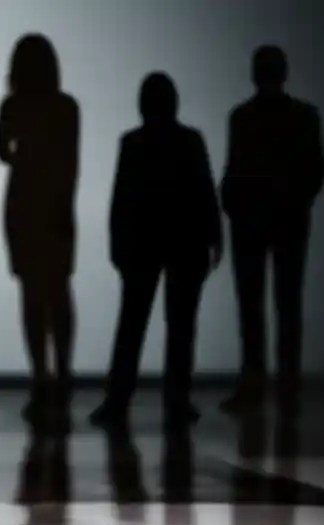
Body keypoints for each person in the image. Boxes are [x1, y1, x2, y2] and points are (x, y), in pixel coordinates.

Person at [90, 73, 222, 428]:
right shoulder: (190, 141)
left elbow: (121, 200)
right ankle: (176, 400)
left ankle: (119, 399)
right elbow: (206, 192)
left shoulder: (132, 143)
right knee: (180, 326)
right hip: (185, 242)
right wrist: (215, 236)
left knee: (132, 325)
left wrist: (117, 244)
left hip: (142, 244)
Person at [220, 46, 324, 417]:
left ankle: (256, 384)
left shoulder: (243, 117)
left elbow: (234, 172)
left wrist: (235, 209)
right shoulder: (305, 117)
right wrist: (292, 204)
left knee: (254, 309)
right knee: (287, 305)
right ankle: (286, 387)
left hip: (252, 223)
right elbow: (315, 171)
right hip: (288, 222)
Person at [0, 35, 80, 426]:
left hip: (23, 201)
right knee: (57, 292)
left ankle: (41, 376)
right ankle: (61, 373)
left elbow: (2, 152)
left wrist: (24, 149)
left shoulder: (12, 105)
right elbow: (71, 163)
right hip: (54, 201)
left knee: (32, 294)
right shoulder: (65, 107)